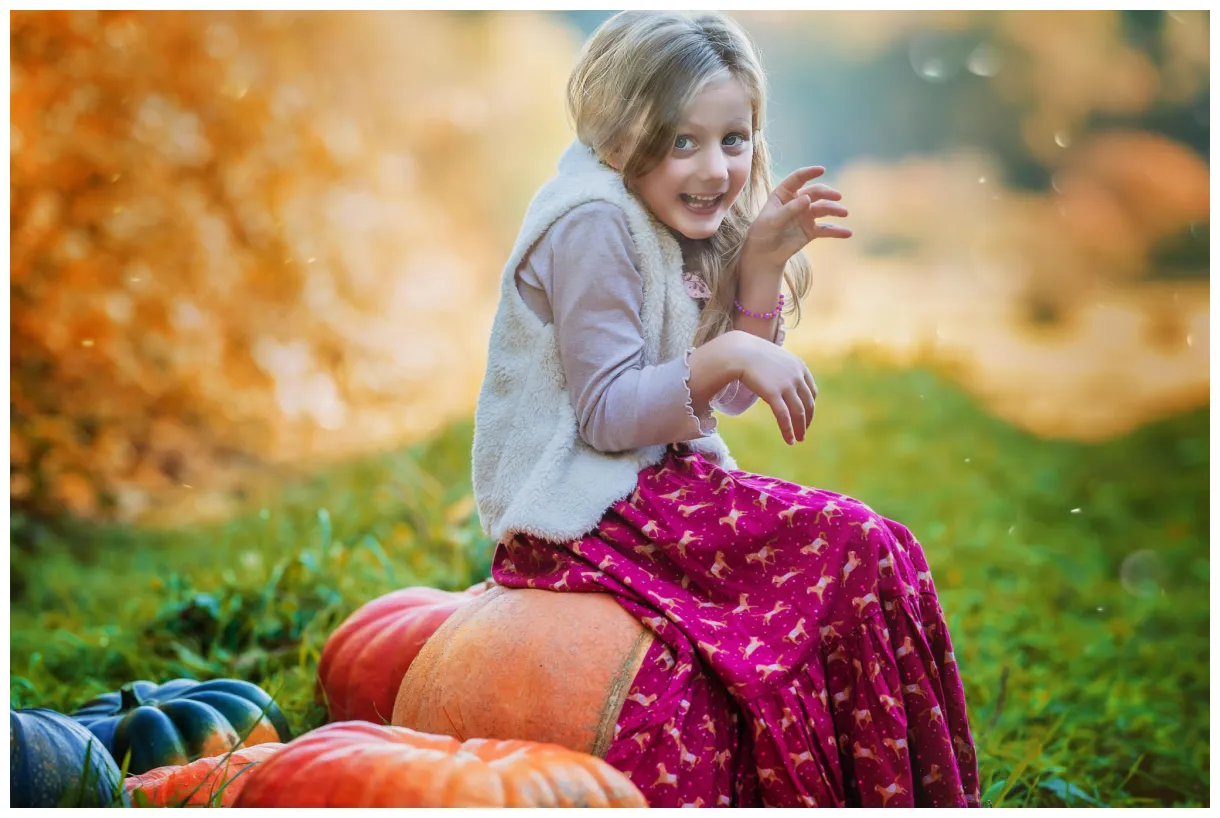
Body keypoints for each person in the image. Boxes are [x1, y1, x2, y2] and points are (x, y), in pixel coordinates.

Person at [471, 10, 980, 808]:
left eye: (734, 139)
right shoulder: (593, 222)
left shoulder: (658, 211)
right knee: (857, 547)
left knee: (881, 548)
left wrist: (760, 273)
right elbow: (607, 413)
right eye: (681, 142)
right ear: (616, 131)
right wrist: (729, 353)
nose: (714, 168)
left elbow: (723, 397)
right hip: (575, 516)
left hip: (642, 496)